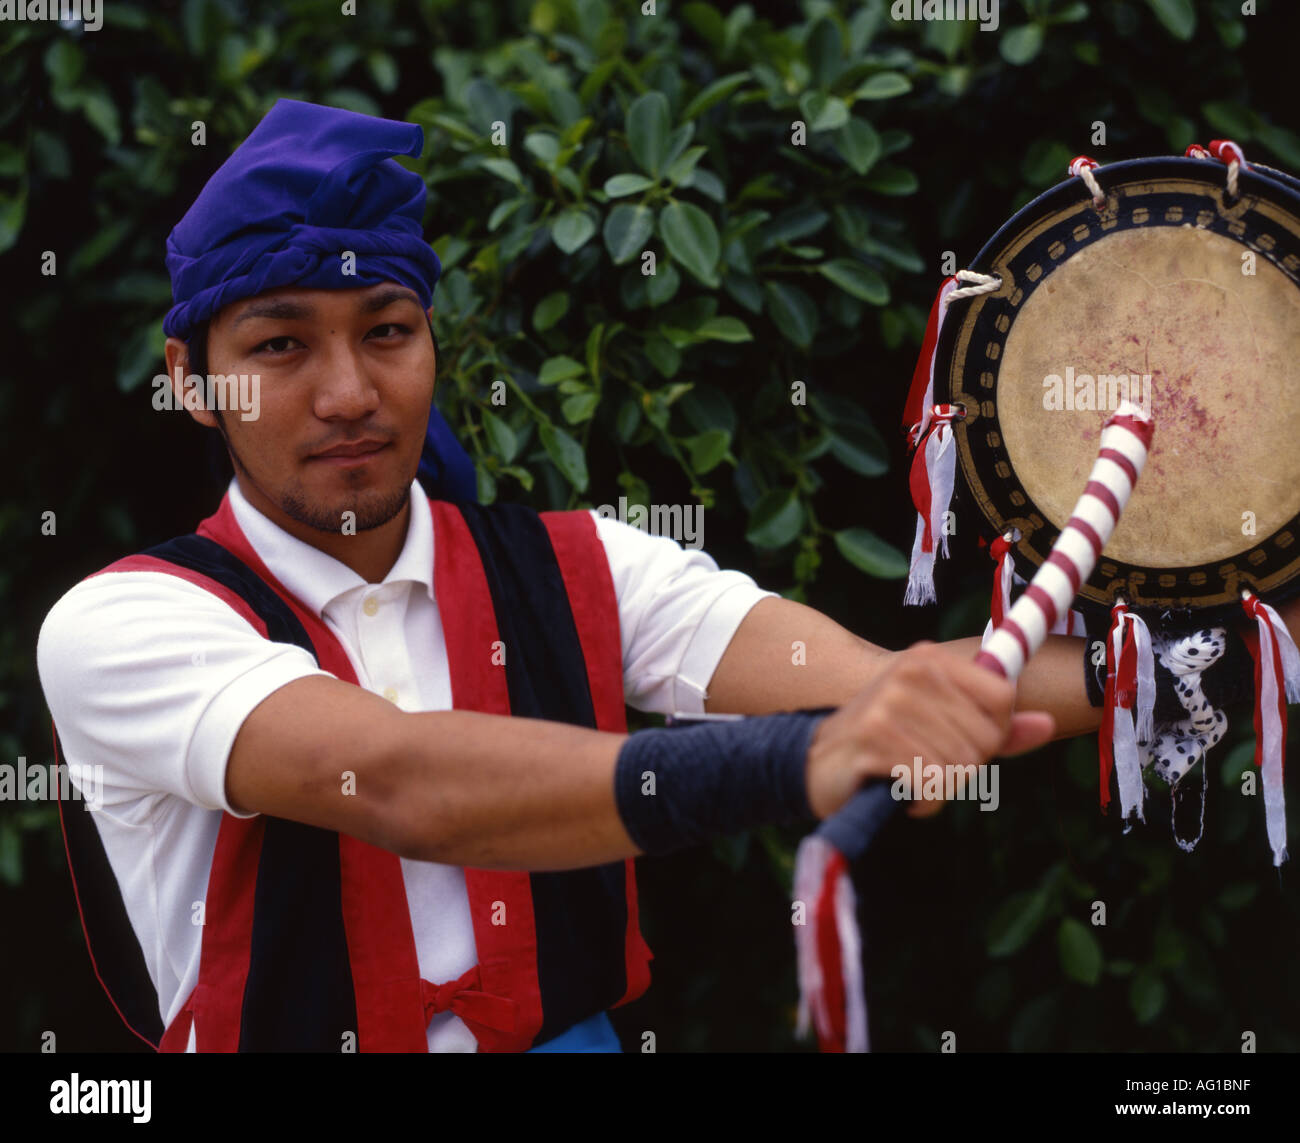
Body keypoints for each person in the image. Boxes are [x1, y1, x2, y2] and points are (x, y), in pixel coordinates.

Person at [37, 99, 1098, 1054]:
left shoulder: (580, 565)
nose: (350, 392)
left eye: (388, 332)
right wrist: (799, 760)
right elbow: (401, 782)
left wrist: (1192, 662)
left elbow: (876, 686)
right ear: (190, 381)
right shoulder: (123, 624)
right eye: (280, 348)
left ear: (432, 345)